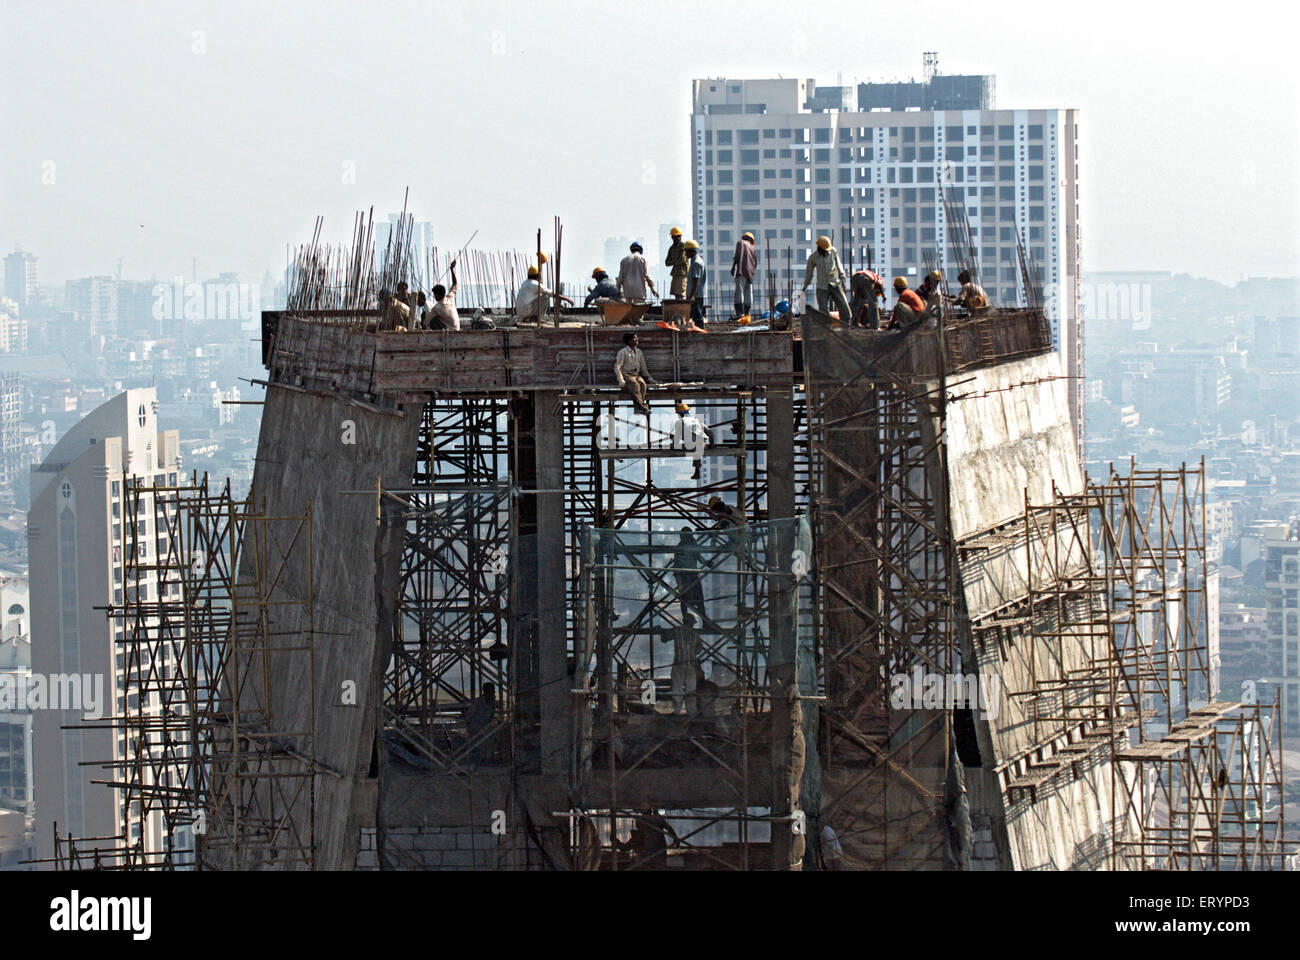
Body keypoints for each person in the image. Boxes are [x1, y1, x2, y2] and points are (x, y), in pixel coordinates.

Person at [802, 236, 853, 322]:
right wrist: (805, 286)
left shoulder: (833, 251)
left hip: (835, 284)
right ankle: (827, 329)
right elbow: (809, 273)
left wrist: (843, 277)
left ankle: (847, 326)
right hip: (822, 287)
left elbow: (838, 265)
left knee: (844, 307)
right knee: (823, 310)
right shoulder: (813, 257)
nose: (826, 251)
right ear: (820, 248)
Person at [614, 331, 656, 414]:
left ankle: (638, 408)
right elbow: (617, 366)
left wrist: (649, 378)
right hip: (626, 375)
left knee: (643, 385)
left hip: (636, 375)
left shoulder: (639, 352)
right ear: (629, 341)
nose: (637, 339)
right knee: (635, 385)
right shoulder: (623, 352)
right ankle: (643, 407)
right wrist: (620, 380)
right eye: (634, 338)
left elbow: (643, 367)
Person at [730, 231, 758, 319]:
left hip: (742, 270)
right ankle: (747, 313)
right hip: (750, 273)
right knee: (748, 292)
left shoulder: (741, 243)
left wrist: (733, 266)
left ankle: (740, 314)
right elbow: (755, 262)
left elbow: (738, 255)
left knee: (739, 291)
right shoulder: (752, 248)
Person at [428, 258, 460, 330]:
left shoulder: (437, 307)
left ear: (438, 294)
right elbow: (455, 283)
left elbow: (426, 322)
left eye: (435, 294)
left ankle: (441, 339)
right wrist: (452, 270)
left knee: (433, 321)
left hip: (450, 333)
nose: (434, 296)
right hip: (457, 329)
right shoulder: (450, 298)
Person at [683, 239, 707, 327]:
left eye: (686, 251)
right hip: (694, 295)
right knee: (693, 316)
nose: (685, 254)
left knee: (698, 317)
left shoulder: (697, 263)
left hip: (696, 295)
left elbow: (696, 281)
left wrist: (692, 295)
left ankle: (700, 333)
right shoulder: (694, 262)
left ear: (692, 251)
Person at [665, 226, 689, 299]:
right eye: (676, 236)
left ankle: (682, 309)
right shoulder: (672, 248)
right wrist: (674, 262)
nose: (678, 238)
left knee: (681, 293)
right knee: (676, 293)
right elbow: (667, 262)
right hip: (675, 273)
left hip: (682, 273)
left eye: (679, 236)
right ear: (672, 237)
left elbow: (682, 259)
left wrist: (673, 262)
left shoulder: (683, 246)